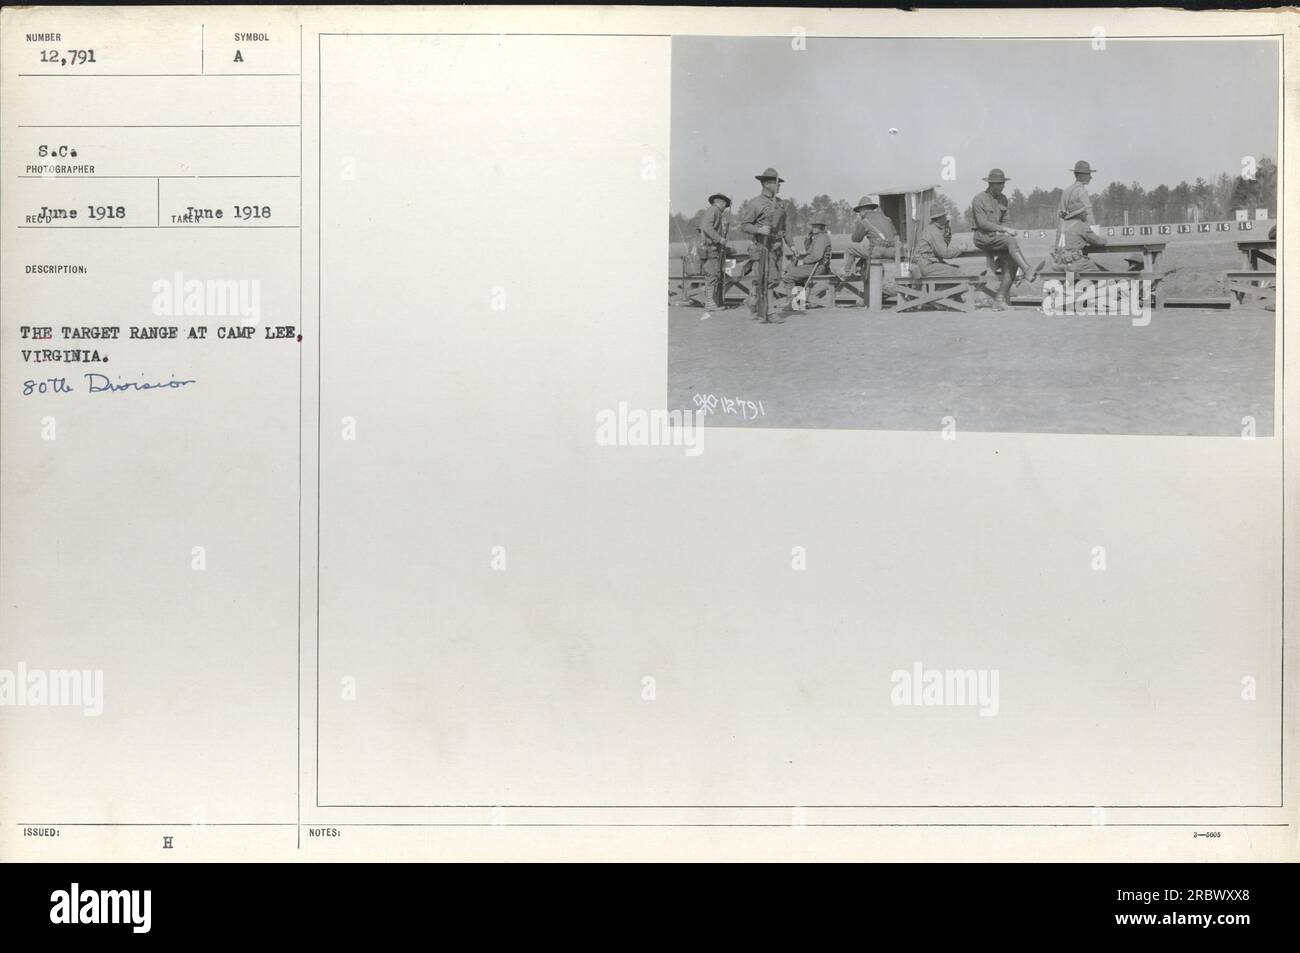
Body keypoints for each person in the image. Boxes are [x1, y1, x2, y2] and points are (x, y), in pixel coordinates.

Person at [971, 168, 1039, 307]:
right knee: (1011, 241)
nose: (1003, 186)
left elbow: (1006, 220)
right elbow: (982, 223)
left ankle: (1000, 299)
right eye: (1000, 183)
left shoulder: (1003, 199)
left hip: (998, 238)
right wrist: (1003, 230)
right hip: (982, 238)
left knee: (1012, 263)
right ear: (992, 184)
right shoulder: (979, 199)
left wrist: (1004, 230)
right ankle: (1027, 270)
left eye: (1003, 183)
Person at [738, 167, 794, 322]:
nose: (779, 186)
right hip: (762, 247)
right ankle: (769, 312)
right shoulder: (755, 203)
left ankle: (754, 305)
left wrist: (792, 245)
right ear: (766, 184)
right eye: (776, 183)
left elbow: (786, 226)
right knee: (766, 279)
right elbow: (744, 225)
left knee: (773, 279)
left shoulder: (781, 203)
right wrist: (759, 229)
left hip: (776, 247)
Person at [778, 216, 833, 306]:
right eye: (813, 226)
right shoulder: (818, 237)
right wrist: (808, 239)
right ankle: (799, 302)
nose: (813, 228)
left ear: (821, 227)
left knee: (788, 276)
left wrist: (803, 261)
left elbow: (816, 256)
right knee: (791, 270)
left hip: (817, 267)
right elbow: (809, 250)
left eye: (816, 226)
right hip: (816, 266)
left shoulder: (821, 238)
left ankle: (792, 303)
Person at [840, 194, 897, 278]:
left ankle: (845, 272)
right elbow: (894, 234)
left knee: (850, 248)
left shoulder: (865, 221)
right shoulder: (887, 219)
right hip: (892, 251)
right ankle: (859, 268)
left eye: (859, 212)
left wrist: (859, 226)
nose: (859, 214)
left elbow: (856, 239)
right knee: (868, 249)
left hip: (878, 251)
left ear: (863, 210)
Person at [1051, 198, 1111, 272]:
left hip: (1058, 263)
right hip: (1074, 264)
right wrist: (1105, 239)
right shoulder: (1081, 225)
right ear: (1079, 214)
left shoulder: (1061, 225)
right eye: (1084, 211)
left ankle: (1070, 282)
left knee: (1072, 279)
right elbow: (1099, 242)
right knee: (1101, 276)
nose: (1086, 213)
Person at [698, 192, 731, 308]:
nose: (725, 208)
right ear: (720, 202)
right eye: (725, 205)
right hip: (710, 249)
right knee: (711, 275)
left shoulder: (714, 211)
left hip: (712, 248)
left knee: (713, 275)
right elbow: (706, 226)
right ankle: (709, 303)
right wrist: (719, 239)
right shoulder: (714, 210)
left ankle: (711, 302)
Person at [915, 208, 965, 277]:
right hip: (928, 265)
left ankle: (942, 288)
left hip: (928, 263)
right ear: (940, 218)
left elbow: (942, 248)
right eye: (945, 216)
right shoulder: (934, 231)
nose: (946, 218)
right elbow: (945, 253)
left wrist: (947, 233)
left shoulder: (932, 228)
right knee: (958, 273)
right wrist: (960, 249)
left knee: (957, 268)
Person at [1058, 160, 1096, 225]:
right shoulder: (1082, 191)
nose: (1091, 177)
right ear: (1081, 175)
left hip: (1066, 228)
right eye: (1088, 174)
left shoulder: (1066, 191)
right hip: (1079, 229)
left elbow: (1060, 212)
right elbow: (1088, 213)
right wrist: (1093, 229)